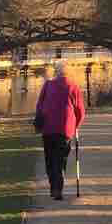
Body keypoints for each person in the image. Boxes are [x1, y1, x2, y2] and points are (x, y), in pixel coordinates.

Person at [34, 61, 85, 200]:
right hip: (65, 129)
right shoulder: (73, 87)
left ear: (55, 72)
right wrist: (76, 127)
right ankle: (58, 189)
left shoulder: (48, 85)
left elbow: (39, 106)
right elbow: (80, 111)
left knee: (50, 160)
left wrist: (40, 120)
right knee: (60, 160)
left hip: (48, 129)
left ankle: (54, 187)